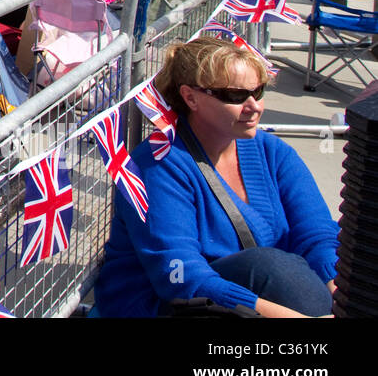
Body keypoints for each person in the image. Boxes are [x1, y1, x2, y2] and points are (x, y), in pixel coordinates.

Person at [96, 37, 337, 317]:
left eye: (257, 92)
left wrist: (341, 297)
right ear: (190, 97)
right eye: (235, 96)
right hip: (165, 303)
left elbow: (317, 235)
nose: (254, 106)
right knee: (274, 268)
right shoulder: (158, 164)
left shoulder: (272, 151)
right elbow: (180, 275)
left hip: (267, 289)